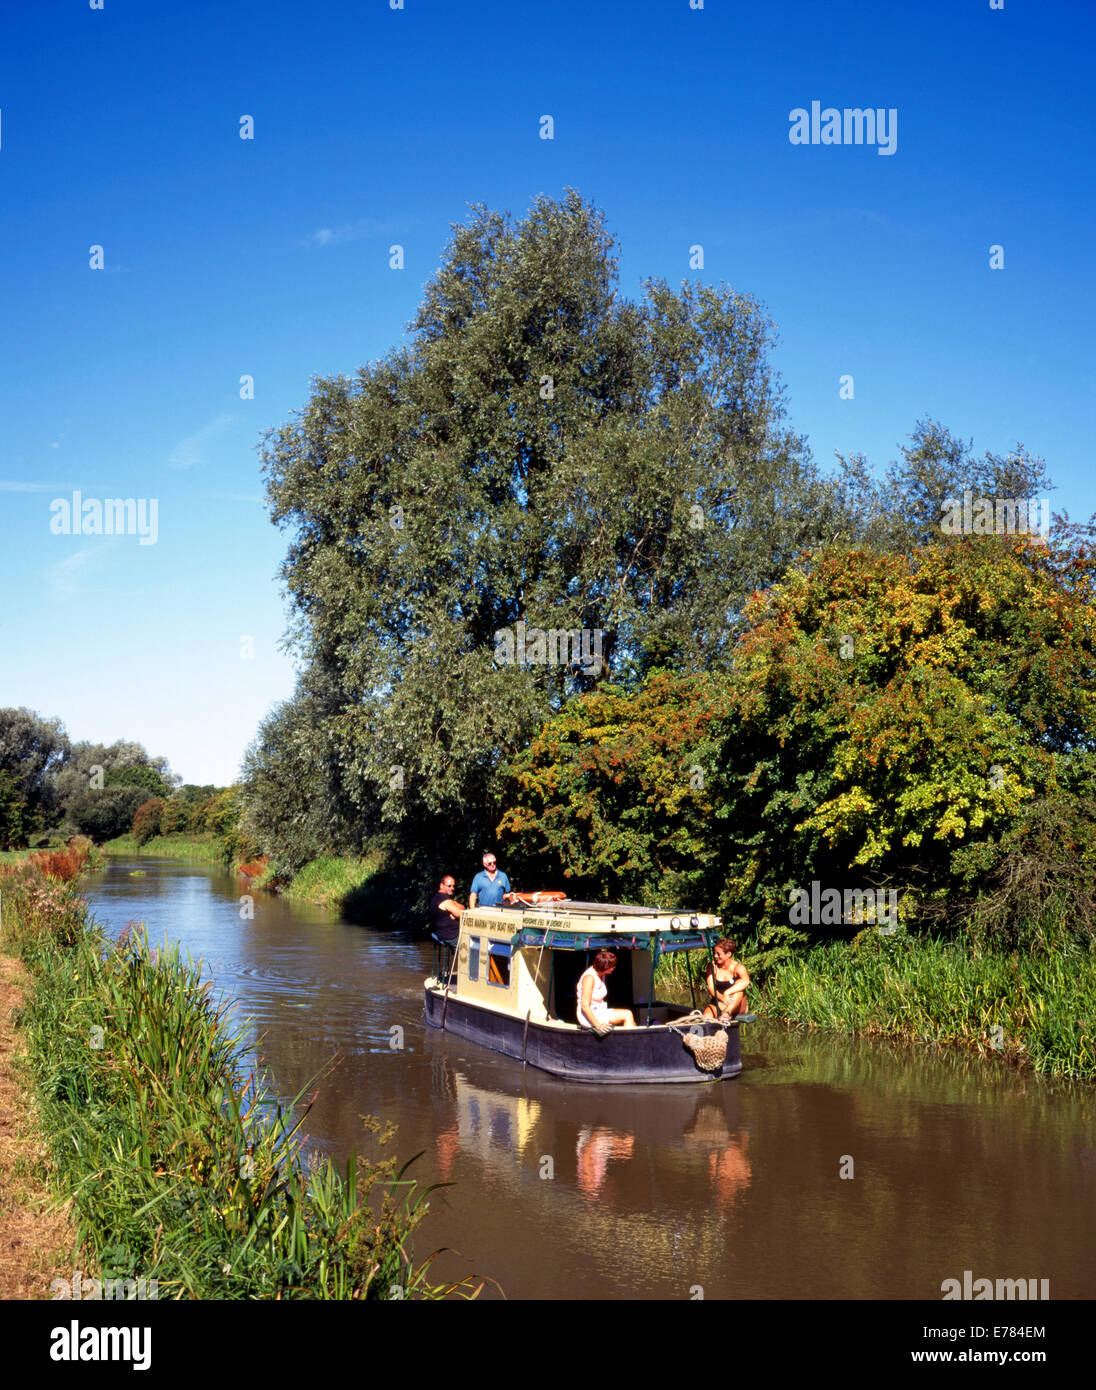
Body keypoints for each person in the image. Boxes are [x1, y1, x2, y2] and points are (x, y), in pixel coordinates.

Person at [577, 949, 636, 1034]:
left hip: (599, 1010)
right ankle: (629, 1044)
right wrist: (598, 1025)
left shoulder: (601, 974)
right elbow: (584, 1006)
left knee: (633, 1023)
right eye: (612, 966)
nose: (614, 968)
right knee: (627, 1014)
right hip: (588, 1015)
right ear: (605, 967)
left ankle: (631, 1041)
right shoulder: (589, 978)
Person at [703, 938, 750, 1020]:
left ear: (728, 954)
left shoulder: (738, 968)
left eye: (718, 954)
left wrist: (727, 992)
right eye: (714, 953)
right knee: (706, 1016)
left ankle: (726, 1013)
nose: (715, 956)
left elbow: (746, 981)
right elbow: (711, 987)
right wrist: (722, 997)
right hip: (719, 1001)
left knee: (739, 984)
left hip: (736, 1004)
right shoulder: (712, 967)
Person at [429, 875, 464, 978]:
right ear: (441, 885)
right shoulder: (443, 899)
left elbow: (462, 907)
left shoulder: (443, 898)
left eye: (453, 886)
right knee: (475, 946)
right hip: (450, 935)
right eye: (449, 886)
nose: (452, 888)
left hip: (448, 933)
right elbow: (460, 912)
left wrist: (456, 909)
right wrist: (456, 910)